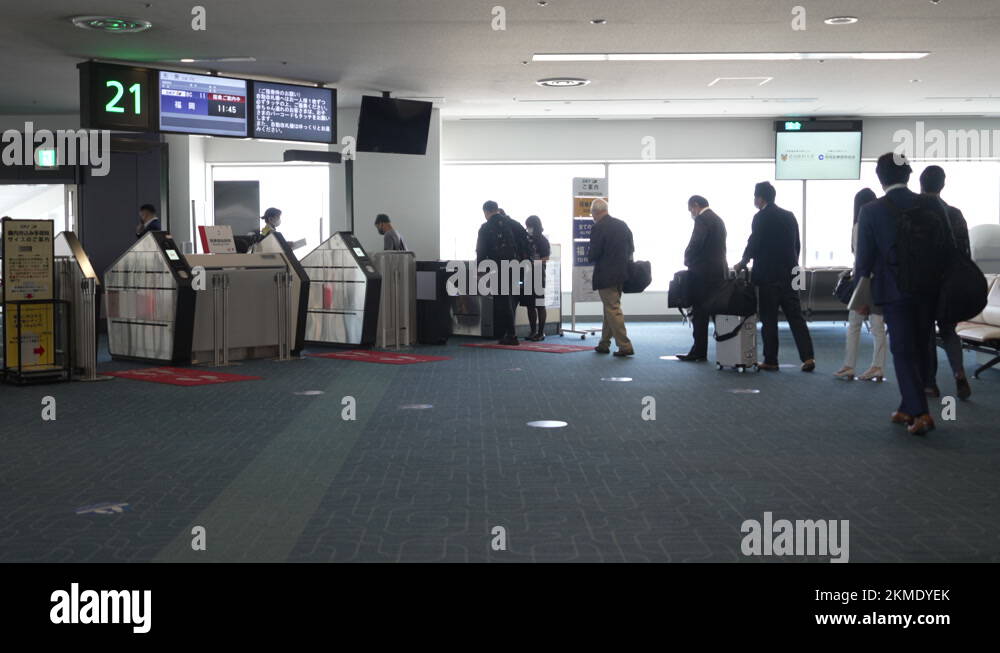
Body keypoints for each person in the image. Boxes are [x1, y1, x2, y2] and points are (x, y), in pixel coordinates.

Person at [855, 153, 950, 436]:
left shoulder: (871, 211)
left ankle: (920, 413)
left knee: (902, 349)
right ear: (908, 175)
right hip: (929, 288)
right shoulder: (931, 204)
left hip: (895, 290)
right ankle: (908, 405)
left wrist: (862, 299)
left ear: (879, 177)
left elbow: (864, 260)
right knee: (921, 344)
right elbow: (947, 245)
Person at [736, 182, 815, 372]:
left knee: (769, 319)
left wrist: (743, 262)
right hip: (791, 274)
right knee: (796, 318)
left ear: (760, 198)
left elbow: (754, 242)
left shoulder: (760, 217)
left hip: (768, 276)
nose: (754, 200)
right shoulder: (789, 216)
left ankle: (771, 360)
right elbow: (797, 245)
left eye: (755, 197)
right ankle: (808, 357)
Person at [920, 165, 972, 400]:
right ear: (942, 185)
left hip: (924, 285)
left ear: (921, 185)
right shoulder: (955, 213)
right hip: (949, 283)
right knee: (950, 331)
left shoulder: (915, 213)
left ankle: (930, 383)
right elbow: (965, 252)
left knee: (926, 333)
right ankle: (959, 373)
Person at [834, 188, 888, 382]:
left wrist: (860, 282)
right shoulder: (881, 225)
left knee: (854, 325)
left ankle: (850, 366)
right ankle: (877, 367)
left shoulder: (859, 226)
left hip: (864, 281)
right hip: (879, 279)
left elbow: (861, 258)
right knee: (877, 326)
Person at [677, 195, 727, 362]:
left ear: (696, 205)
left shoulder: (702, 219)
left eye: (691, 209)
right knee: (715, 311)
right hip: (718, 272)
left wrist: (687, 258)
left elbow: (696, 243)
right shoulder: (718, 220)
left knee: (699, 312)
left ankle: (699, 351)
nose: (691, 213)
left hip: (702, 273)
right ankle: (724, 350)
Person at [476, 200, 531, 346]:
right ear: (497, 209)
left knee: (502, 300)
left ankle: (510, 334)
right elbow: (527, 243)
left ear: (486, 212)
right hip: (518, 267)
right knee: (512, 299)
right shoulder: (514, 224)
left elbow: (481, 250)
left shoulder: (486, 227)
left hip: (498, 268)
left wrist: (480, 270)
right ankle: (509, 332)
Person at [588, 199, 635, 357]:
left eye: (592, 213)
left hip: (606, 275)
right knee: (610, 307)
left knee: (613, 309)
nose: (592, 216)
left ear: (595, 212)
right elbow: (631, 249)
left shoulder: (598, 227)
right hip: (621, 273)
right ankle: (604, 343)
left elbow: (593, 253)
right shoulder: (622, 225)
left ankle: (625, 345)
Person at [521, 215, 551, 341]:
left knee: (539, 304)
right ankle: (533, 330)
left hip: (538, 274)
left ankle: (541, 332)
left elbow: (546, 258)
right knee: (529, 305)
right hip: (526, 275)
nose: (528, 229)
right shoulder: (526, 239)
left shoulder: (543, 240)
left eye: (529, 226)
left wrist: (535, 262)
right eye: (527, 226)